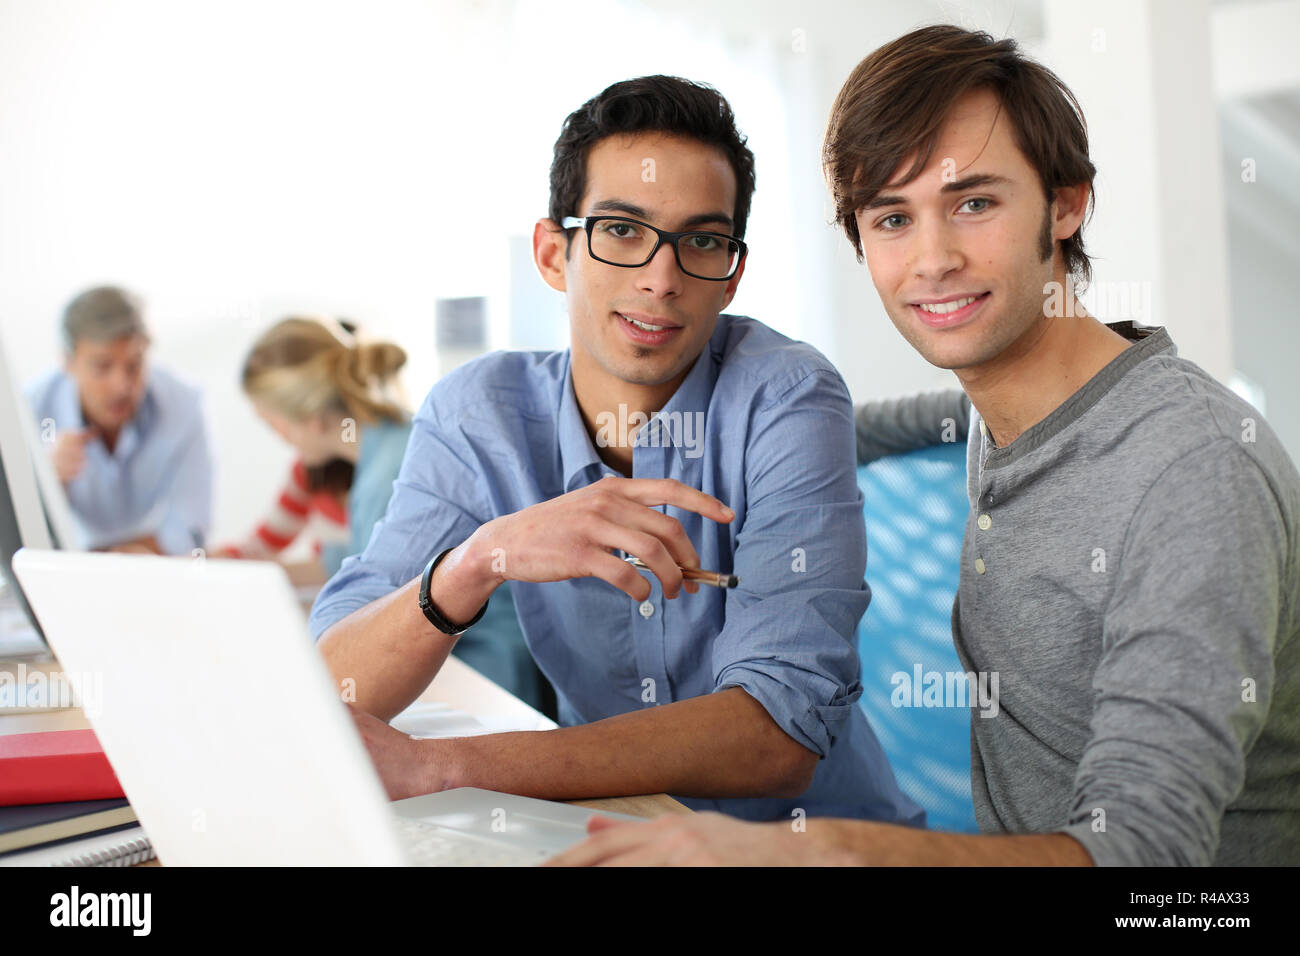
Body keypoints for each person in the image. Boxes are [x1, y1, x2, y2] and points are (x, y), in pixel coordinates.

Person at [550, 25, 1300, 866]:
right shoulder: (1001, 410)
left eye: (974, 204)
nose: (933, 260)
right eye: (893, 218)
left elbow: (1146, 855)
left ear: (1065, 205)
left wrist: (816, 852)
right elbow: (815, 432)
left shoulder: (1193, 472)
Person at [309, 75, 923, 826]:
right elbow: (335, 689)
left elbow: (778, 733)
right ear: (553, 254)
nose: (661, 280)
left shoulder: (786, 396)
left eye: (702, 241)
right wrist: (476, 562)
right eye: (623, 231)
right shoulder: (478, 414)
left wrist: (444, 768)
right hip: (613, 835)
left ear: (732, 275)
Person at [237, 316, 547, 710]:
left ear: (312, 418)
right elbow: (359, 565)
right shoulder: (389, 445)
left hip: (487, 674)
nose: (279, 439)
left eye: (273, 426)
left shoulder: (387, 475)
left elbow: (379, 608)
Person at [25, 285, 212, 554]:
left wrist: (114, 562)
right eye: (102, 366)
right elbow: (20, 542)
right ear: (67, 362)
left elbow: (190, 527)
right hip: (71, 560)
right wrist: (47, 481)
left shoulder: (183, 405)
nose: (122, 386)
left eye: (135, 364)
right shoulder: (30, 412)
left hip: (147, 561)